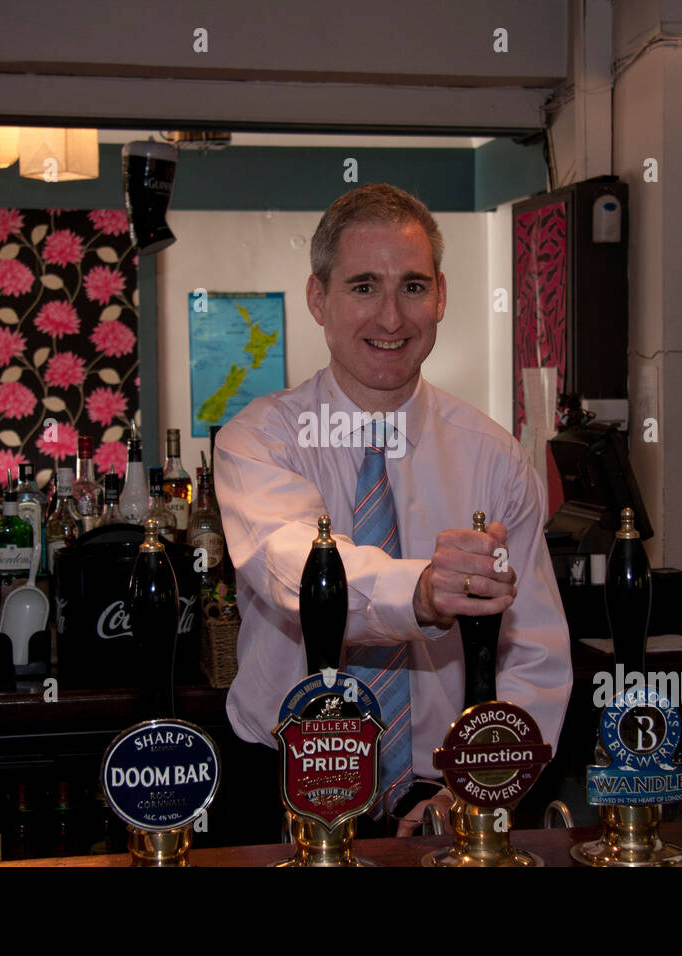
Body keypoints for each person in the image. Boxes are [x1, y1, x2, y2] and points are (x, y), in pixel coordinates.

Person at [214, 183, 572, 836]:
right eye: (362, 287)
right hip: (283, 777)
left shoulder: (493, 458)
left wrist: (488, 784)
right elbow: (294, 568)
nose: (391, 318)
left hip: (441, 792)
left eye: (411, 287)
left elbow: (535, 654)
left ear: (440, 295)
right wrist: (425, 592)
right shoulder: (261, 439)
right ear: (317, 298)